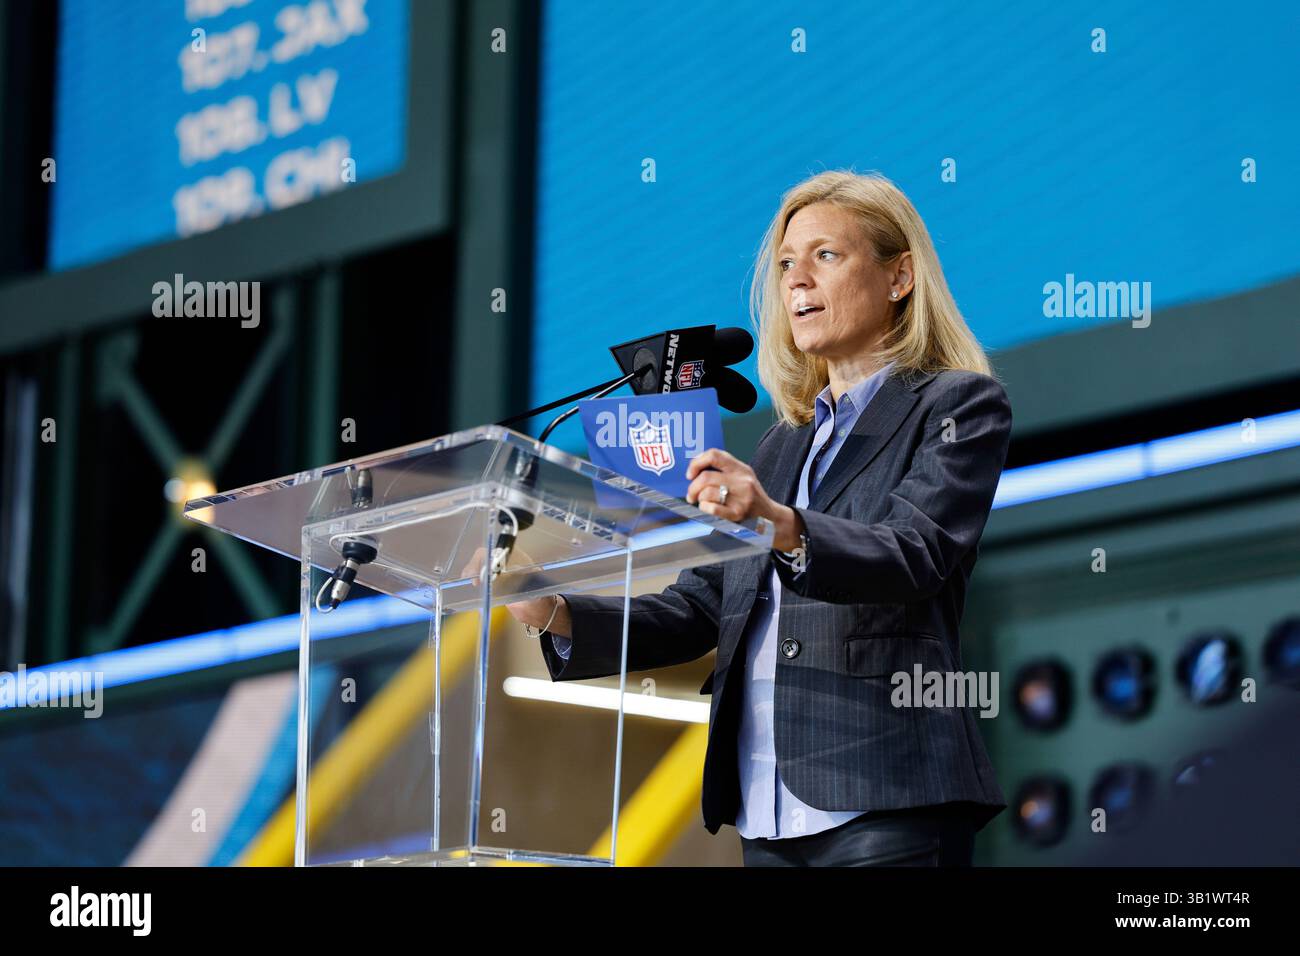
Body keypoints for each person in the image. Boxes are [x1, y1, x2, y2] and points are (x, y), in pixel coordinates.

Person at [508, 170, 1012, 866]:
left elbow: (913, 553)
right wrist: (554, 610)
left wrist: (785, 527)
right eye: (784, 264)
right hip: (765, 813)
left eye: (825, 256)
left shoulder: (956, 406)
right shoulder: (780, 446)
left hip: (886, 798)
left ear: (899, 277)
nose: (796, 279)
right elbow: (702, 608)